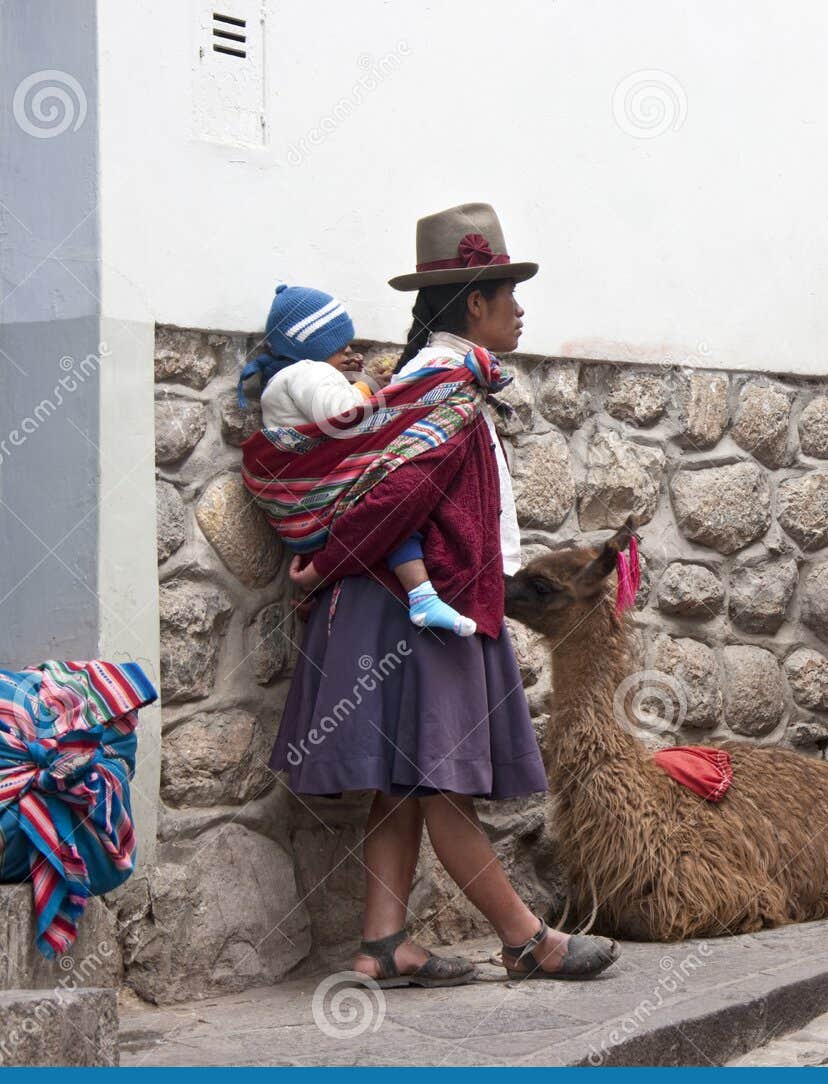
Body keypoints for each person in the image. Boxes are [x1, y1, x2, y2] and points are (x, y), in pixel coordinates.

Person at [269, 202, 619, 985]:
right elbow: (394, 503)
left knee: (404, 782)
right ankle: (527, 938)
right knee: (442, 785)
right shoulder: (445, 385)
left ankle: (382, 942)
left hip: (413, 606)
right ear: (474, 305)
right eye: (508, 293)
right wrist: (327, 564)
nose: (521, 309)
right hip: (422, 613)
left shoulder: (445, 381)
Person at [239, 284, 477, 637]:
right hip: (318, 486)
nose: (352, 355)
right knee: (392, 508)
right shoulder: (307, 371)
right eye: (341, 348)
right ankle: (421, 595)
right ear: (311, 346)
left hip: (309, 498)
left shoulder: (294, 376)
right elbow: (345, 414)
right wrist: (367, 387)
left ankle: (320, 596)